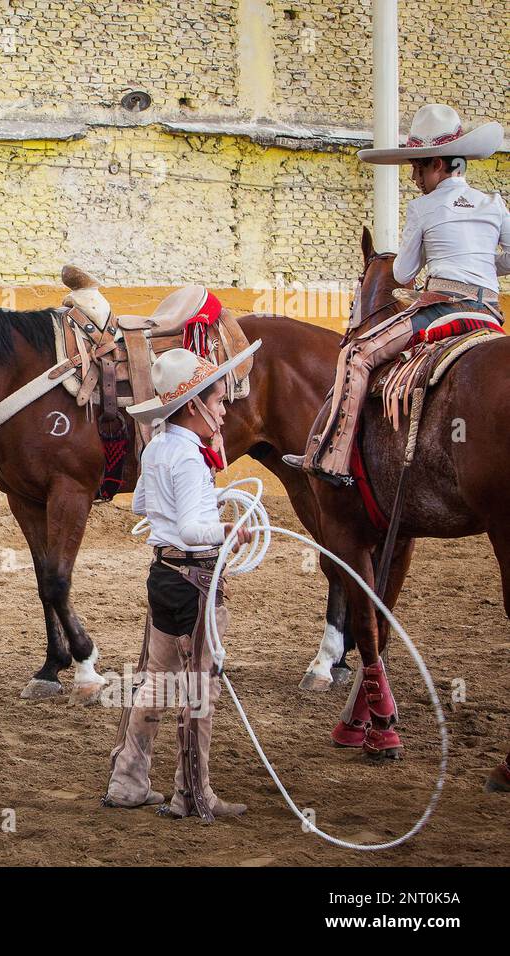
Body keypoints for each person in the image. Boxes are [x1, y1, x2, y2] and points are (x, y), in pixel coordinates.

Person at [284, 104, 508, 485]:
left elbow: (403, 274)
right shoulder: (494, 204)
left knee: (356, 355)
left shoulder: (422, 207)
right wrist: (482, 261)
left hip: (444, 310)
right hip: (488, 313)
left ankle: (332, 458)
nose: (414, 177)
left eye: (418, 168)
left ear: (437, 164)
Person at [104, 342, 260, 821]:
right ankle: (192, 793)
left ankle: (128, 781)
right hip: (195, 581)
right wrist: (229, 529)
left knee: (155, 682)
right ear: (193, 406)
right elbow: (195, 530)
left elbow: (138, 506)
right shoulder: (191, 458)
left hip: (163, 576)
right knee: (199, 690)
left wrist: (183, 512)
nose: (223, 408)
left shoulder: (157, 447)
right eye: (216, 400)